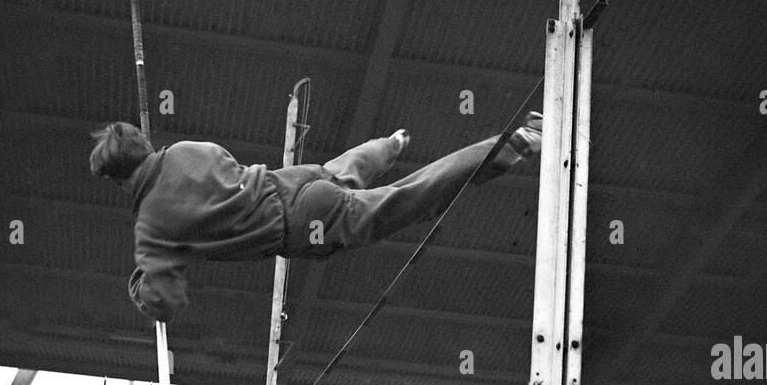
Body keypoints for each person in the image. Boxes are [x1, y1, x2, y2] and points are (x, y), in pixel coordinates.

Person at [89, 115, 542, 321]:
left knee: (412, 197)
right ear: (144, 146)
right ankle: (389, 144)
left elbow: (163, 302)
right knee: (350, 173)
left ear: (118, 180)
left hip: (302, 228)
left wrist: (141, 277)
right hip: (298, 185)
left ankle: (513, 145)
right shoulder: (189, 150)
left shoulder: (153, 229)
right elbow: (221, 169)